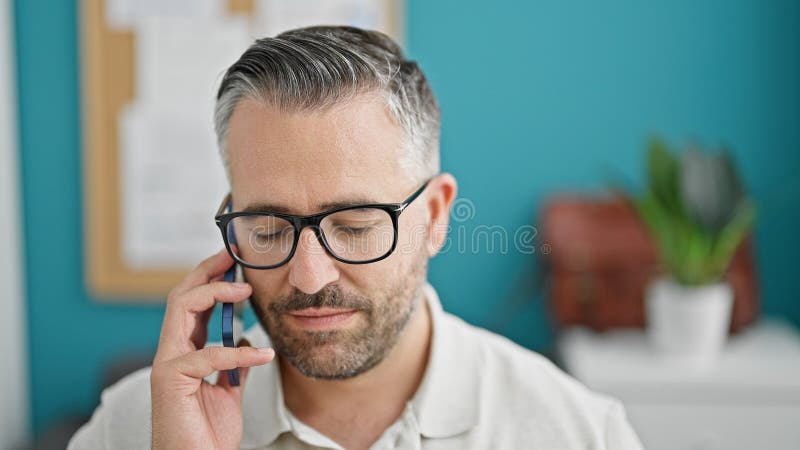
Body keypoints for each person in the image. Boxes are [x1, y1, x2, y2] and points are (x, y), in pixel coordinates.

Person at [68, 26, 643, 450]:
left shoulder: (580, 434)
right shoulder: (132, 428)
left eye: (354, 226)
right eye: (268, 229)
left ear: (435, 216)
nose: (309, 277)